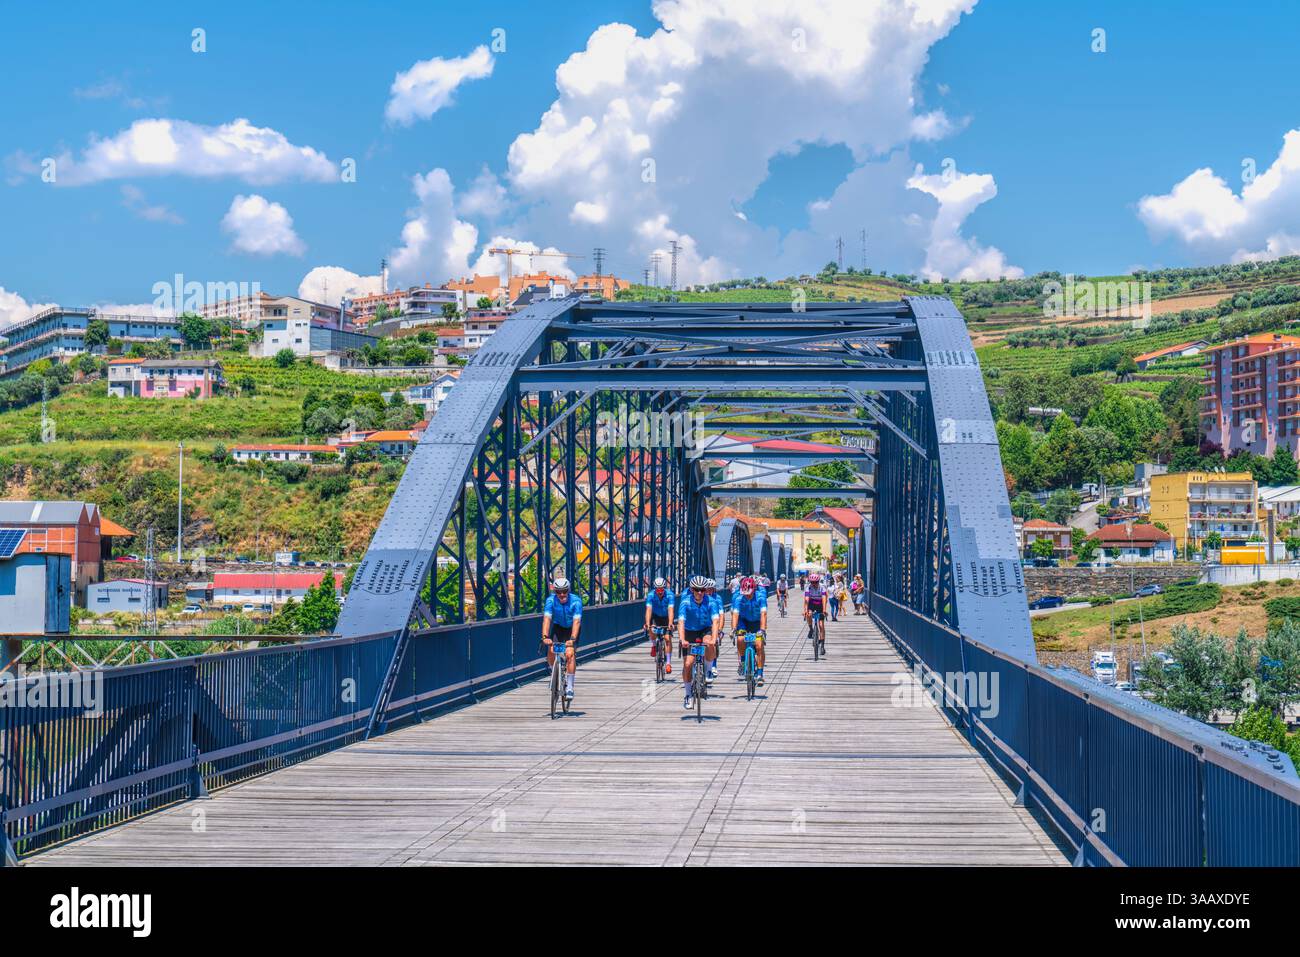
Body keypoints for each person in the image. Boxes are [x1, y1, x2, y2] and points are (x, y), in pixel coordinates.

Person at [678, 574, 720, 709]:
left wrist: (714, 638)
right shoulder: (685, 602)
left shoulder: (711, 602)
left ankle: (708, 670)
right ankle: (688, 695)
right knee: (688, 664)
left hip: (704, 629)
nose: (700, 592)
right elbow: (681, 622)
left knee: (709, 642)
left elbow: (715, 621)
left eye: (703, 589)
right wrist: (682, 639)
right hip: (689, 631)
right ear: (692, 590)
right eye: (697, 590)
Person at [542, 577, 582, 700]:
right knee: (551, 650)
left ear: (568, 590)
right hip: (558, 627)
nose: (562, 594)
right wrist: (545, 636)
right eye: (558, 592)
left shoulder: (576, 601)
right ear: (555, 592)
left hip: (571, 629)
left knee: (569, 653)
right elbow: (547, 619)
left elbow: (577, 621)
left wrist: (573, 638)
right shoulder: (550, 601)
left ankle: (570, 686)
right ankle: (554, 674)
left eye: (564, 591)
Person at [731, 576, 768, 685]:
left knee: (759, 645)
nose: (746, 595)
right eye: (744, 593)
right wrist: (733, 629)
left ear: (754, 590)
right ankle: (742, 661)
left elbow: (763, 614)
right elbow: (735, 614)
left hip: (757, 622)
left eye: (749, 593)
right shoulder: (738, 598)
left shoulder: (761, 597)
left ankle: (760, 673)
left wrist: (762, 629)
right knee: (740, 639)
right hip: (744, 621)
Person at [645, 576, 675, 674]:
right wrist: (647, 623)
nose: (660, 591)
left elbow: (671, 610)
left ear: (664, 588)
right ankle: (654, 645)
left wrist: (670, 623)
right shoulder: (650, 595)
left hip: (666, 617)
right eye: (658, 589)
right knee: (651, 628)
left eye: (662, 589)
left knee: (667, 638)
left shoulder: (670, 595)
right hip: (656, 616)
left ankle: (668, 663)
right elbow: (649, 610)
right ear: (655, 589)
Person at [804, 572, 827, 655]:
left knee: (821, 625)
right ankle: (811, 629)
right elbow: (806, 600)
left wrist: (824, 610)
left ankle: (822, 645)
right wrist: (805, 610)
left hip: (820, 604)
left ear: (818, 581)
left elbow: (824, 599)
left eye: (815, 582)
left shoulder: (822, 587)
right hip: (812, 603)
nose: (814, 584)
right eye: (812, 582)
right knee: (809, 614)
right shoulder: (808, 587)